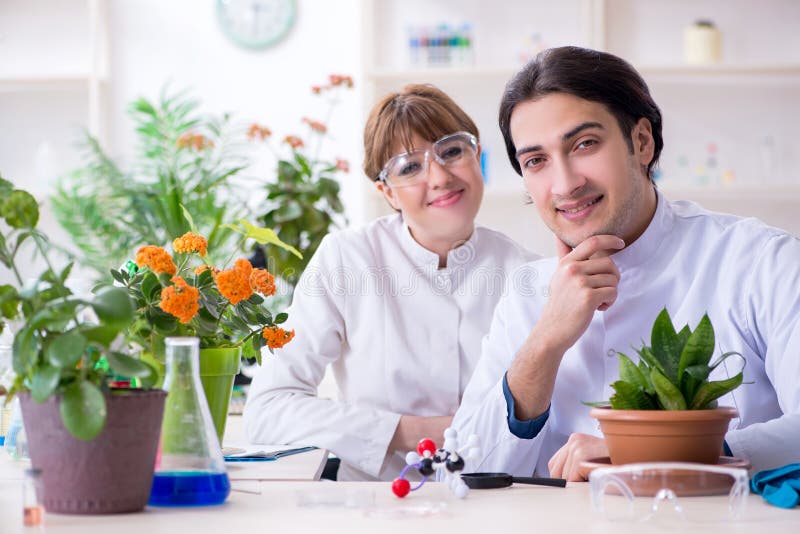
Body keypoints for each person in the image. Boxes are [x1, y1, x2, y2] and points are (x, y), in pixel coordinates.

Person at [452, 46, 800, 481]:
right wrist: (545, 342)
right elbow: (460, 474)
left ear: (641, 141)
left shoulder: (760, 262)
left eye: (584, 144)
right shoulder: (526, 293)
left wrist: (652, 456)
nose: (565, 184)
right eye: (536, 161)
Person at [243, 84, 537, 481]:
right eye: (410, 167)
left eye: (452, 151)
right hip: (374, 505)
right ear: (388, 192)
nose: (439, 176)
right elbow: (268, 409)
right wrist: (411, 432)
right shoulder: (347, 259)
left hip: (497, 503)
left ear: (477, 156)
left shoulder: (527, 274)